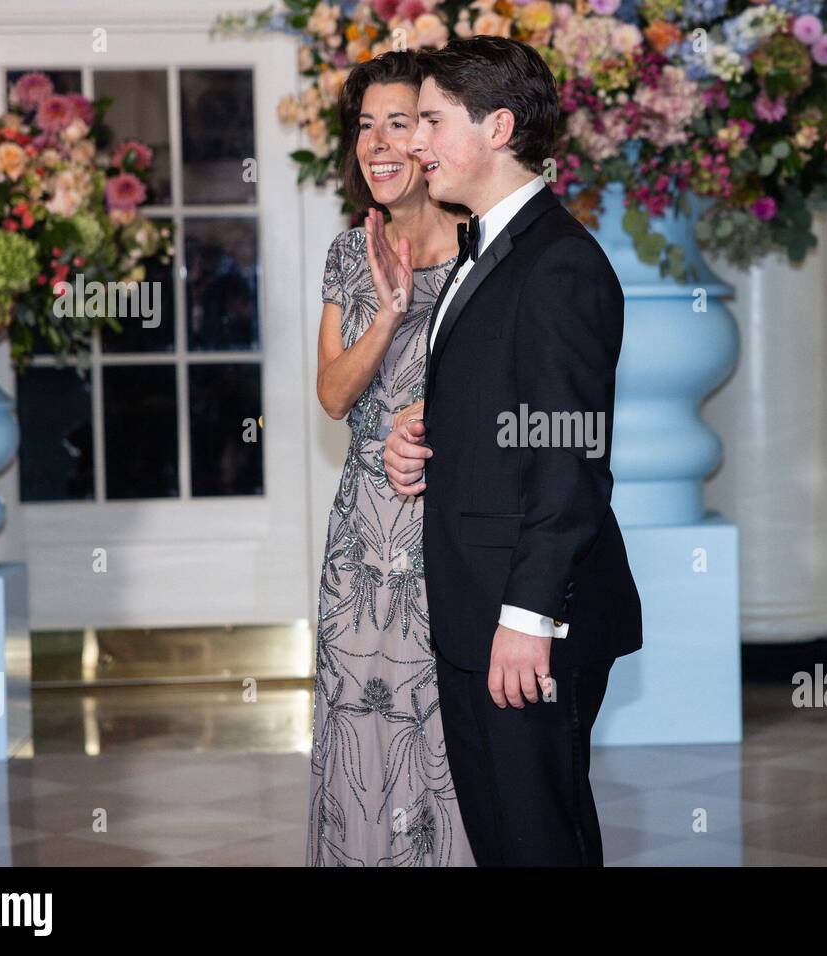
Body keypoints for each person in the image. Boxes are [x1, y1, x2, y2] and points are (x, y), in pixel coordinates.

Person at [382, 36, 643, 867]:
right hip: (474, 611)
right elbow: (514, 406)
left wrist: (529, 618)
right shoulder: (484, 249)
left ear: (498, 127)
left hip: (529, 620)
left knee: (540, 844)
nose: (412, 142)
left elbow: (572, 461)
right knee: (502, 842)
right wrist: (421, 433)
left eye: (430, 120)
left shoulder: (559, 261)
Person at [306, 50, 475, 867]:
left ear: (435, 138)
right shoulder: (350, 253)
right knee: (357, 729)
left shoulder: (483, 255)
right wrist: (389, 312)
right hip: (359, 537)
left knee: (436, 733)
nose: (376, 142)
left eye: (399, 123)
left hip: (445, 526)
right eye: (365, 124)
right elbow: (334, 397)